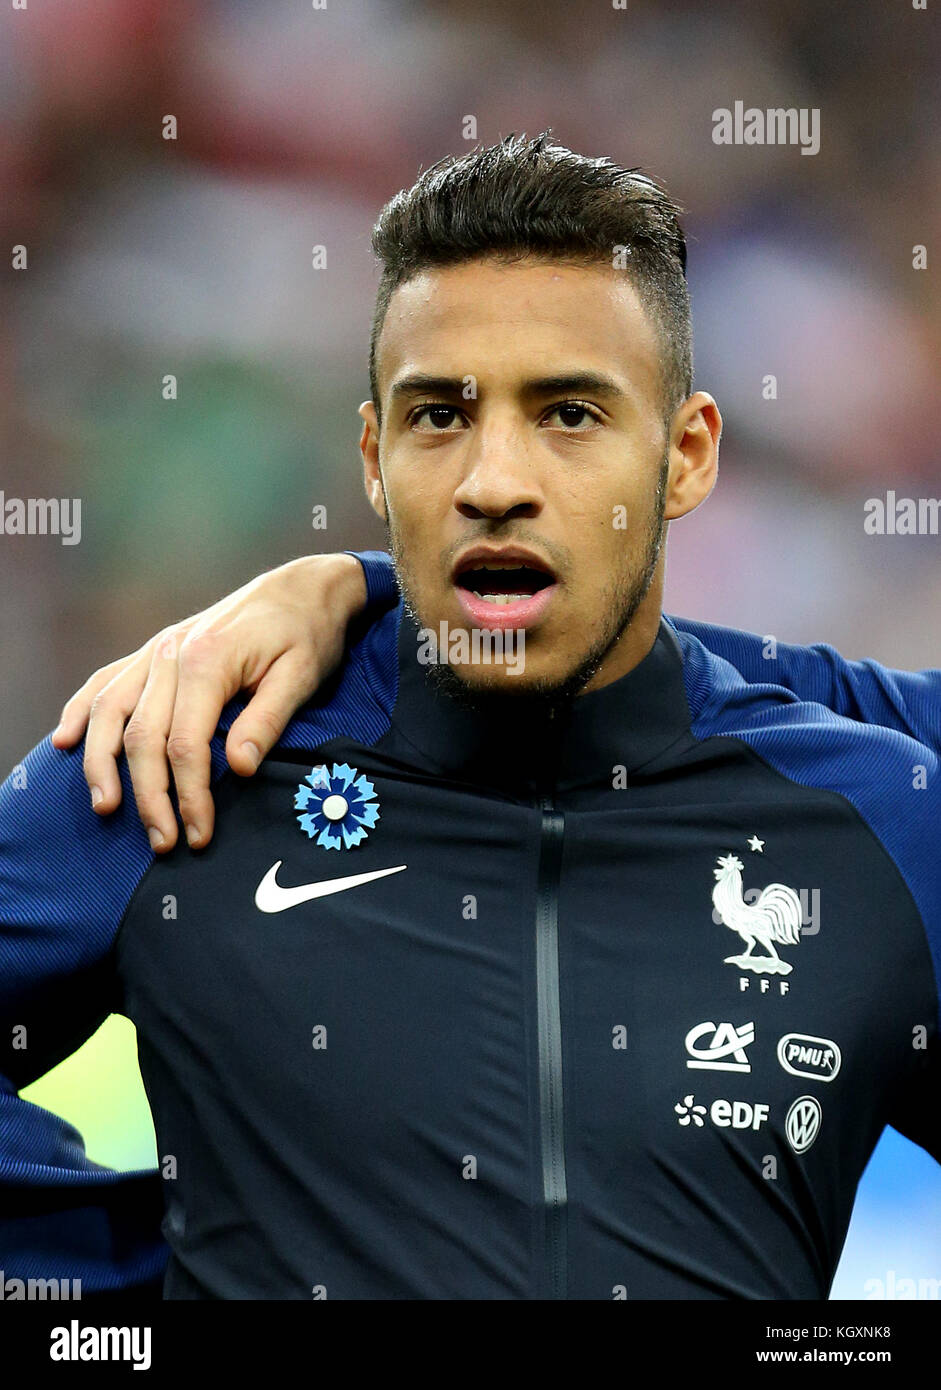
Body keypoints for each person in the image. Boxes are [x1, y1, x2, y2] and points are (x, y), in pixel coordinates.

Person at [2, 133, 939, 1300]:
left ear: (687, 455)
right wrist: (128, 1288)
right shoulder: (186, 755)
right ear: (373, 455)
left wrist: (362, 581)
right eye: (438, 416)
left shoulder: (877, 819)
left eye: (569, 414)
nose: (493, 476)